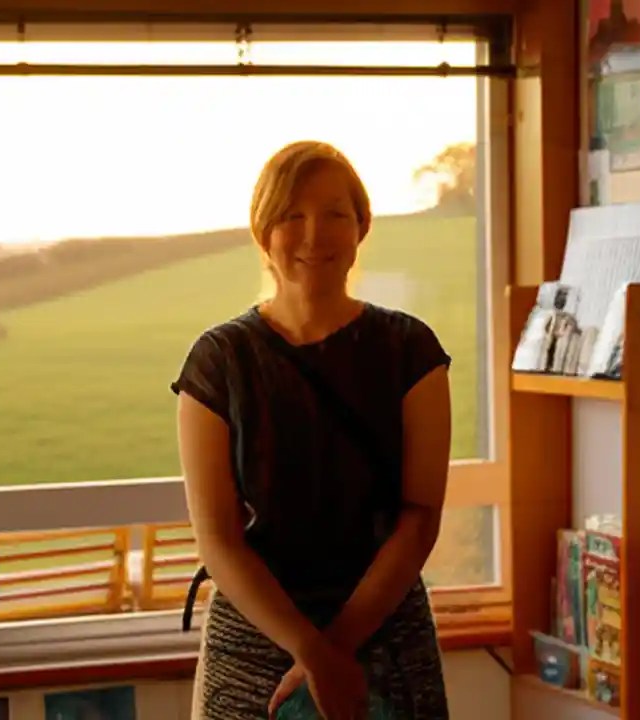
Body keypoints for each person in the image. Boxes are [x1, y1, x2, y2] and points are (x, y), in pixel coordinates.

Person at [171, 140, 453, 720]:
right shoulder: (219, 361)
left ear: (361, 226)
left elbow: (420, 516)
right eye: (291, 216)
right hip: (254, 642)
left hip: (386, 635)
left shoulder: (411, 351)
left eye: (334, 214)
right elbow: (218, 540)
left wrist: (334, 648)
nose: (313, 235)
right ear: (263, 231)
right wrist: (311, 651)